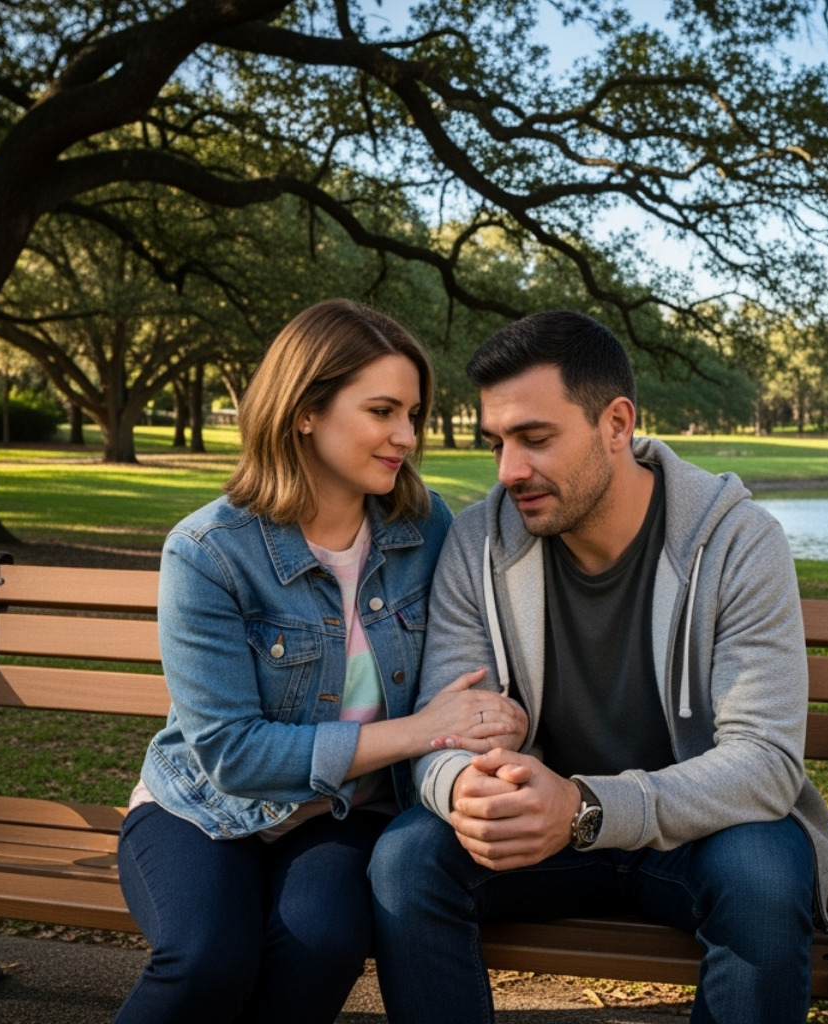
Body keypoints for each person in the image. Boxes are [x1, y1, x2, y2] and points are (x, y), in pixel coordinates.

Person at [369, 310, 828, 1024]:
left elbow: (766, 761)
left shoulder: (738, 541)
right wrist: (464, 786)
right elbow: (443, 730)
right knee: (407, 859)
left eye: (535, 438)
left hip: (700, 834)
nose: (508, 471)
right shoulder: (477, 543)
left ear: (616, 424)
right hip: (541, 840)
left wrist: (585, 807)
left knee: (765, 875)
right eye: (497, 441)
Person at [115, 300, 527, 1024]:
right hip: (203, 810)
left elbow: (491, 611)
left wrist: (502, 707)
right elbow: (230, 755)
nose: (406, 436)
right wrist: (423, 731)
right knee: (207, 959)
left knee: (324, 942)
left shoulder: (423, 526)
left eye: (414, 414)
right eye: (382, 410)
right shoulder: (208, 552)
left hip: (345, 811)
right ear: (306, 410)